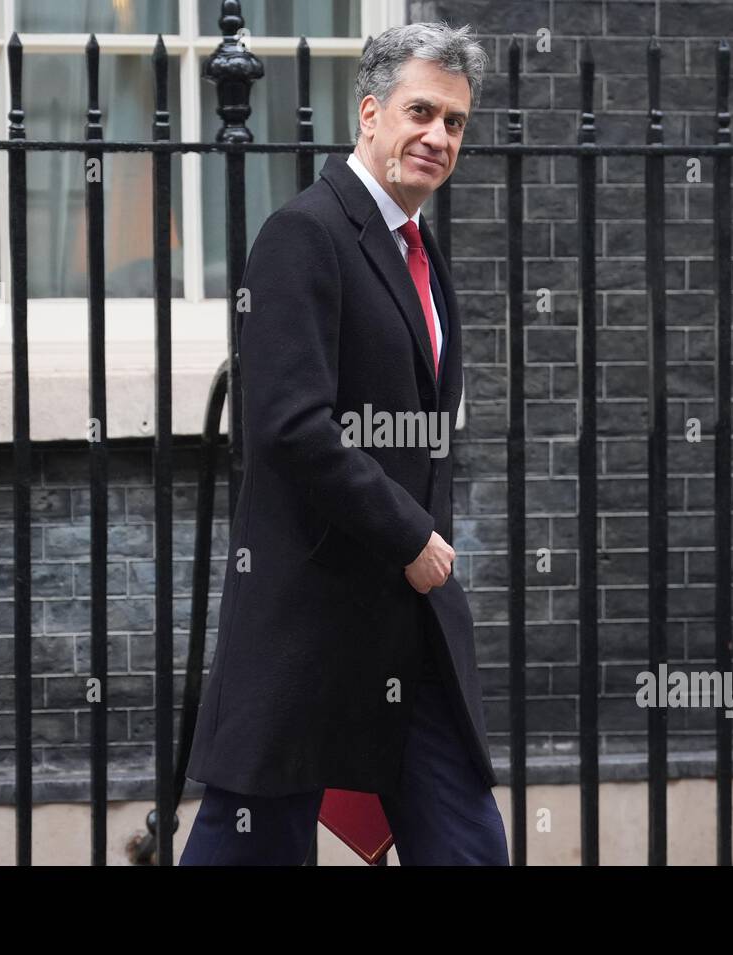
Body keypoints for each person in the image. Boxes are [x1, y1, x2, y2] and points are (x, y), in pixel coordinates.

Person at [179, 21, 506, 866]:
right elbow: (288, 426)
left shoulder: (419, 249)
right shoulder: (306, 234)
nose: (438, 136)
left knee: (470, 849)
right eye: (421, 111)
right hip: (315, 622)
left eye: (456, 122)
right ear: (370, 113)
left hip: (408, 625)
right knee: (249, 849)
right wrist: (412, 537)